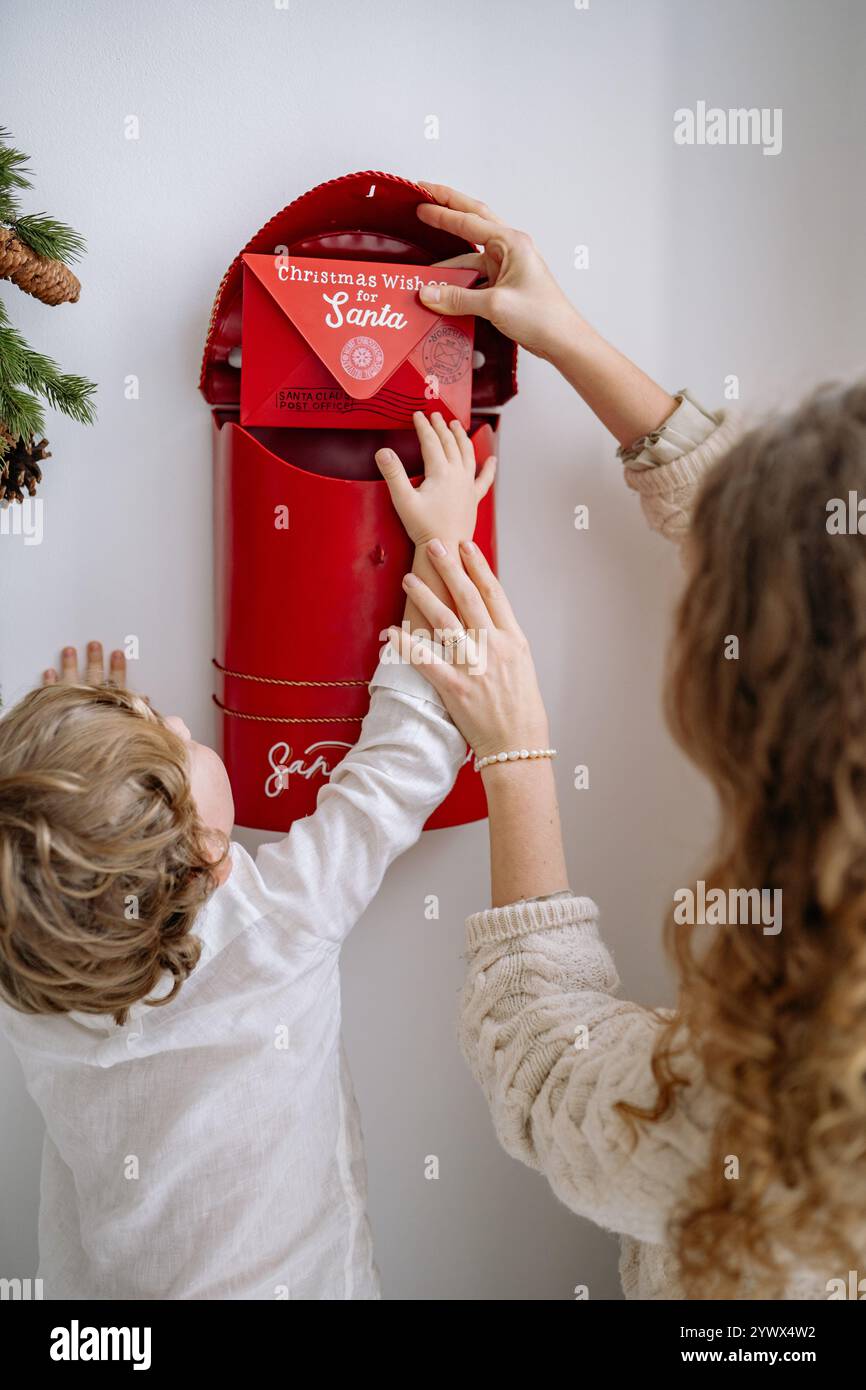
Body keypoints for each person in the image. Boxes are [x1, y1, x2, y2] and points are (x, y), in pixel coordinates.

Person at [374, 182, 865, 1299]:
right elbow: (798, 540)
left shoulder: (792, 1104)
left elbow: (550, 1064)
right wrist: (565, 337)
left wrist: (515, 748)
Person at [0, 412, 493, 1301]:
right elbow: (404, 759)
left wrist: (67, 785)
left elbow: (39, 874)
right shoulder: (278, 927)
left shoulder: (33, 984)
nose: (186, 722)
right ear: (210, 850)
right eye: (178, 743)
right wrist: (445, 548)